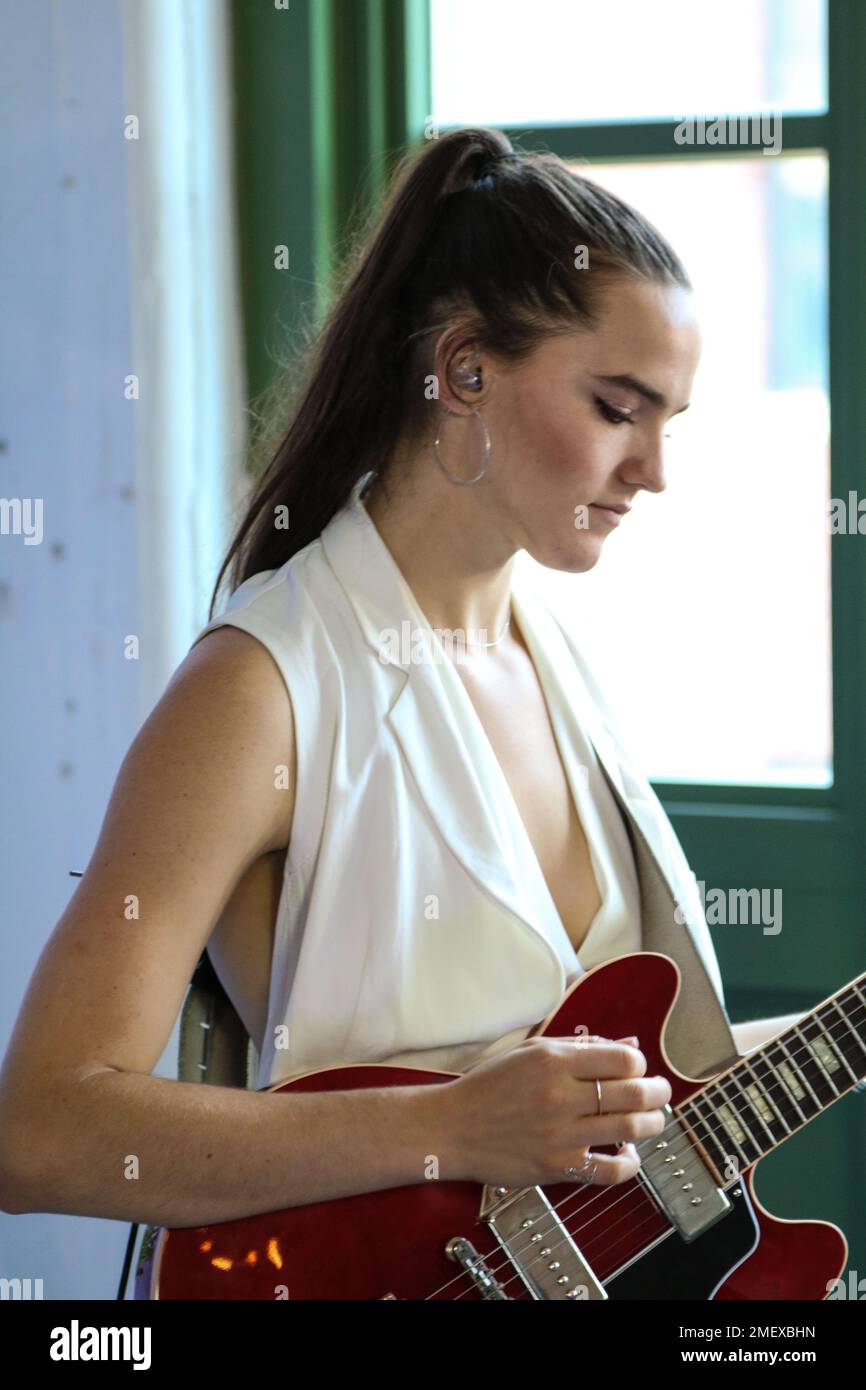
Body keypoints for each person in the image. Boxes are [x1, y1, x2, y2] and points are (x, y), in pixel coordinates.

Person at [0, 128, 803, 1257]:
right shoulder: (260, 689)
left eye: (668, 423)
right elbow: (40, 1131)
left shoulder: (555, 658)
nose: (654, 471)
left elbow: (608, 1105)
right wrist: (446, 1126)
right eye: (620, 409)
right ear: (465, 369)